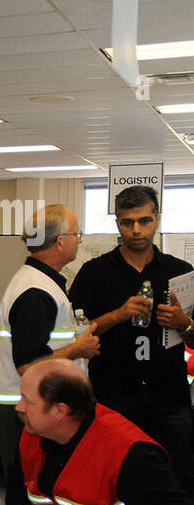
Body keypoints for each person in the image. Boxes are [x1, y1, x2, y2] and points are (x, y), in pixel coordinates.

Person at [68, 185, 194, 482]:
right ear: (118, 224)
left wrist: (183, 322)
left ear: (158, 220)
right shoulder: (93, 272)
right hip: (112, 397)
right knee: (111, 479)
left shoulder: (181, 272)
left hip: (169, 399)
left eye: (144, 221)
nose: (136, 230)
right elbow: (74, 336)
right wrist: (118, 315)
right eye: (128, 222)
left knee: (172, 483)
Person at [0, 205, 99, 505]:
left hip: (32, 405)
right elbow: (29, 364)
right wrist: (79, 349)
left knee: (32, 485)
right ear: (60, 241)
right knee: (28, 487)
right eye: (77, 234)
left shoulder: (40, 282)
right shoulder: (36, 291)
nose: (79, 240)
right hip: (27, 408)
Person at [16, 359, 194, 505]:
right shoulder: (33, 432)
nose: (18, 407)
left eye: (27, 401)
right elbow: (18, 504)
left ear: (59, 411)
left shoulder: (129, 452)